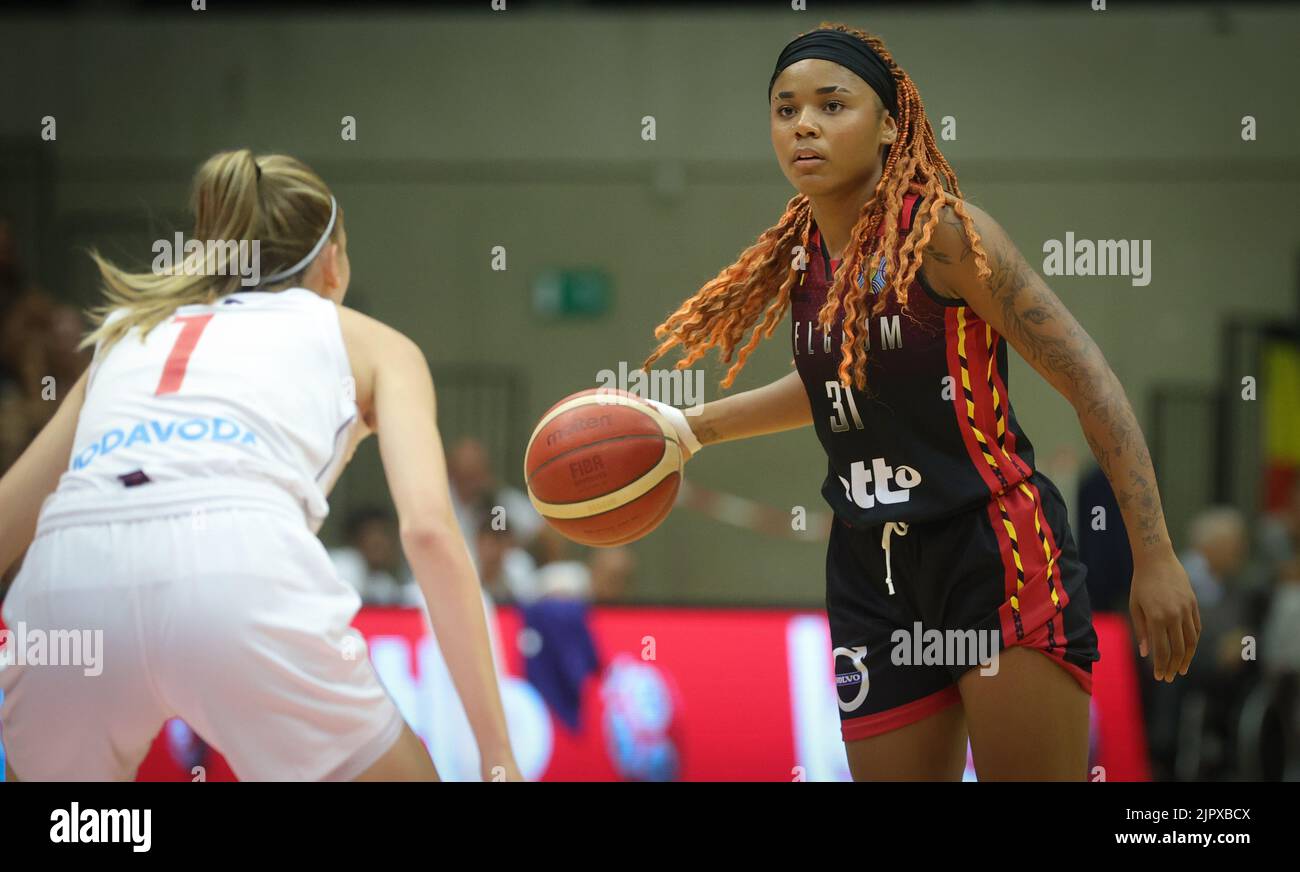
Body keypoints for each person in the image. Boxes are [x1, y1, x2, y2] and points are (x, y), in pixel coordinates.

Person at [640, 23, 1199, 781]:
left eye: (832, 105)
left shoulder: (944, 237)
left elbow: (1087, 376)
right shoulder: (805, 254)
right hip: (871, 569)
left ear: (889, 126)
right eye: (785, 108)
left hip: (994, 552)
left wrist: (1155, 553)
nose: (804, 123)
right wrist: (687, 428)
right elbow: (834, 384)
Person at [0, 150, 520, 782]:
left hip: (66, 587)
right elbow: (431, 533)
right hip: (234, 567)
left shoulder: (125, 334)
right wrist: (496, 754)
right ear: (333, 262)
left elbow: (7, 520)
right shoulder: (372, 342)